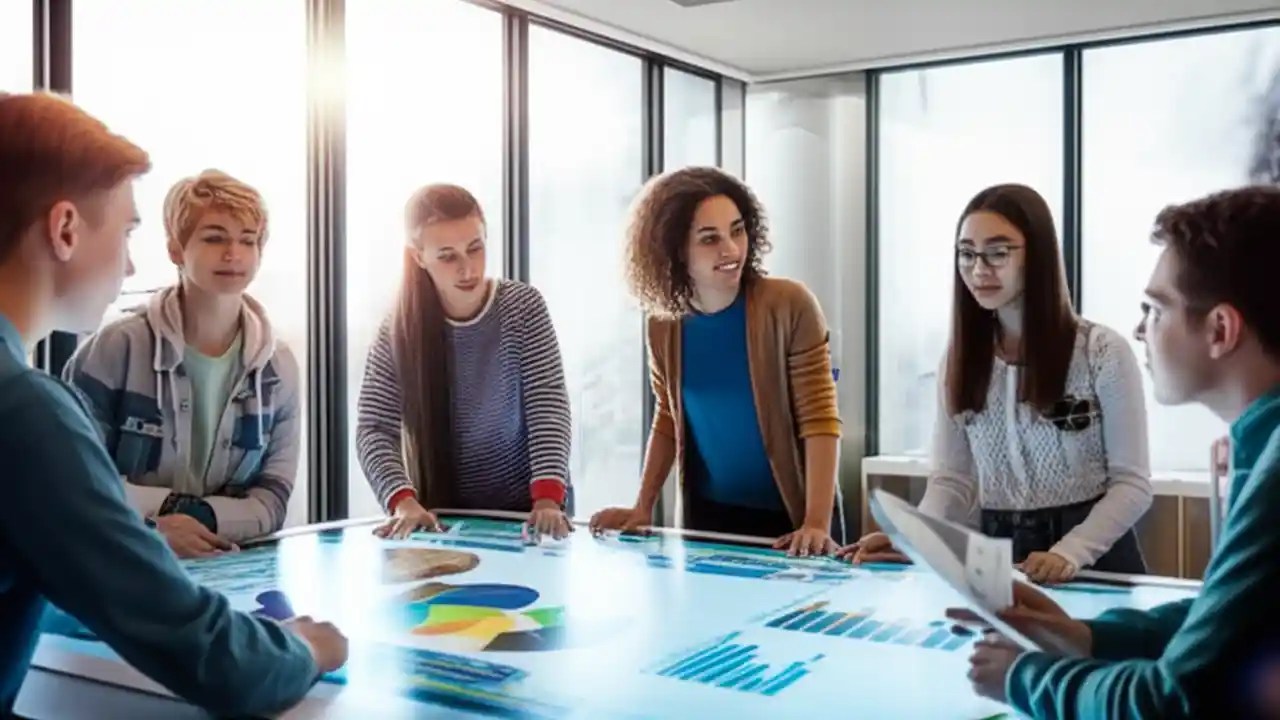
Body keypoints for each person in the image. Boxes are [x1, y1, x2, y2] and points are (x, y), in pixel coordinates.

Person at [0, 92, 346, 716]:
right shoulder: (27, 412)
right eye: (127, 229)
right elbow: (211, 658)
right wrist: (303, 652)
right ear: (66, 229)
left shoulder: (281, 367)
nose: (131, 260)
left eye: (248, 241)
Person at [954, 185, 1280, 719]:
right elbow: (1224, 620)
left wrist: (1024, 676)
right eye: (968, 253)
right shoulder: (1262, 444)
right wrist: (1089, 637)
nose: (1140, 328)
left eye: (1155, 309)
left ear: (1221, 329)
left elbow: (1175, 701)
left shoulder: (1274, 464)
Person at [840, 183, 1153, 583]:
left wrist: (1069, 553)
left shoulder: (1102, 351)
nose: (978, 269)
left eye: (998, 253)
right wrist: (913, 538)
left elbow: (1132, 484)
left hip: (1094, 558)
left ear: (1036, 255)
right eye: (967, 254)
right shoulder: (960, 360)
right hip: (999, 553)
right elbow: (953, 481)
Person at [588, 166, 843, 556]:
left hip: (794, 524)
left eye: (737, 230)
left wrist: (816, 524)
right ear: (674, 251)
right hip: (708, 523)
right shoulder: (663, 324)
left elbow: (820, 419)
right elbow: (669, 418)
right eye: (710, 239)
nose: (731, 249)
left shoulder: (790, 305)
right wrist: (642, 506)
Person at [64, 169, 300, 557]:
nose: (233, 254)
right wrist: (157, 526)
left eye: (248, 240)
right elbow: (76, 481)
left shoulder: (279, 368)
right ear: (175, 248)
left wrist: (194, 518)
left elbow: (272, 501)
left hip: (232, 565)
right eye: (214, 238)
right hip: (124, 561)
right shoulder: (114, 349)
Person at [357, 183, 573, 541]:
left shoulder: (524, 307)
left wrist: (548, 497)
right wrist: (401, 501)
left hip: (529, 514)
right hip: (438, 517)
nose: (467, 267)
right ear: (418, 256)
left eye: (475, 248)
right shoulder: (397, 326)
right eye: (447, 256)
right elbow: (373, 428)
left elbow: (546, 404)